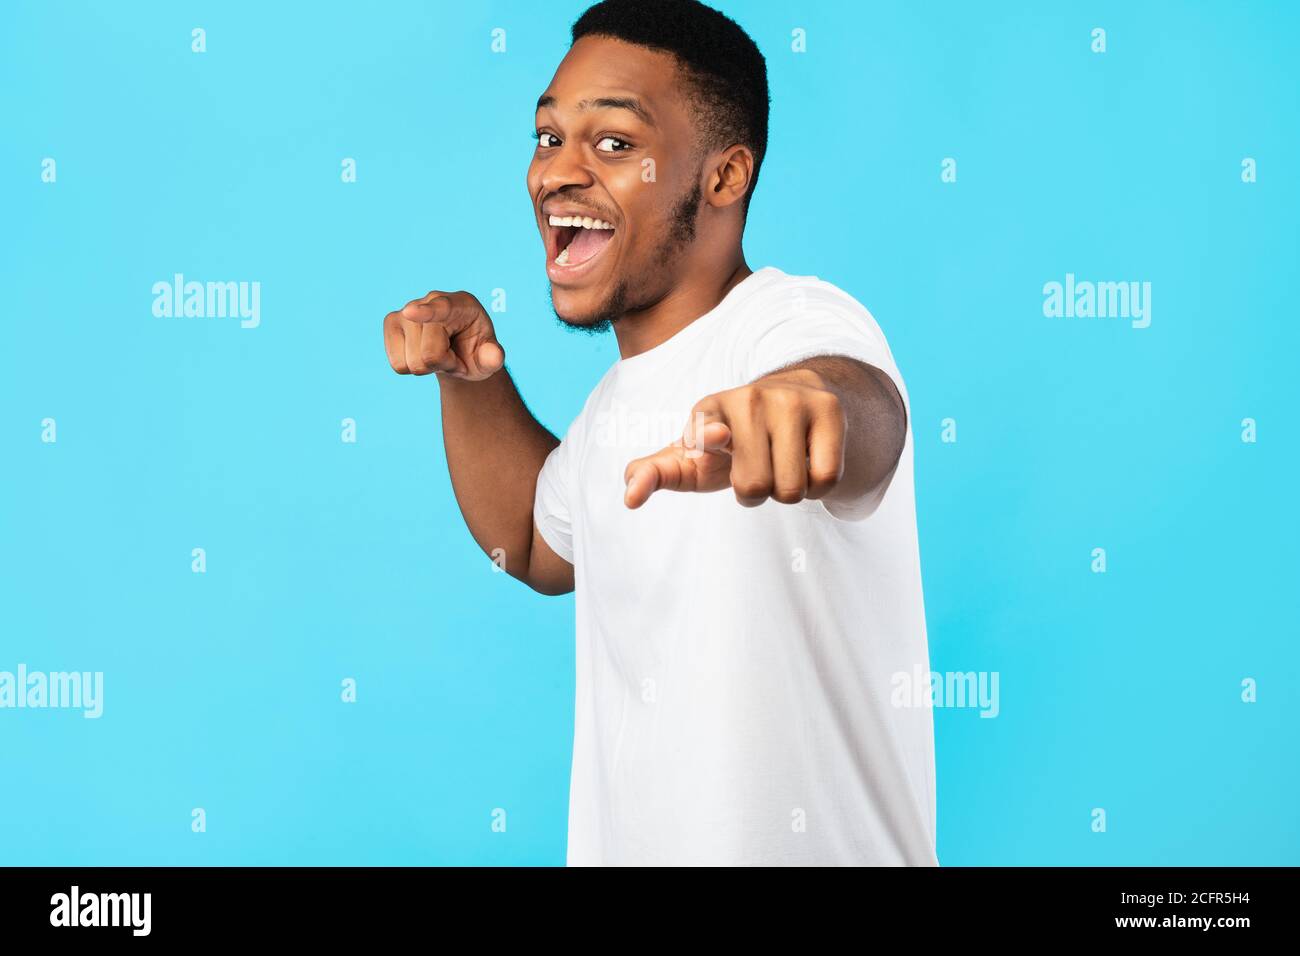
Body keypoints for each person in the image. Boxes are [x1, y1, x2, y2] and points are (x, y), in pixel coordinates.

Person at [382, 0, 937, 866]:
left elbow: (860, 416)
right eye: (546, 137)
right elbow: (534, 541)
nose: (555, 173)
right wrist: (470, 376)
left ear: (724, 177)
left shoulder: (791, 322)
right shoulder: (610, 411)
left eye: (612, 144)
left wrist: (804, 406)